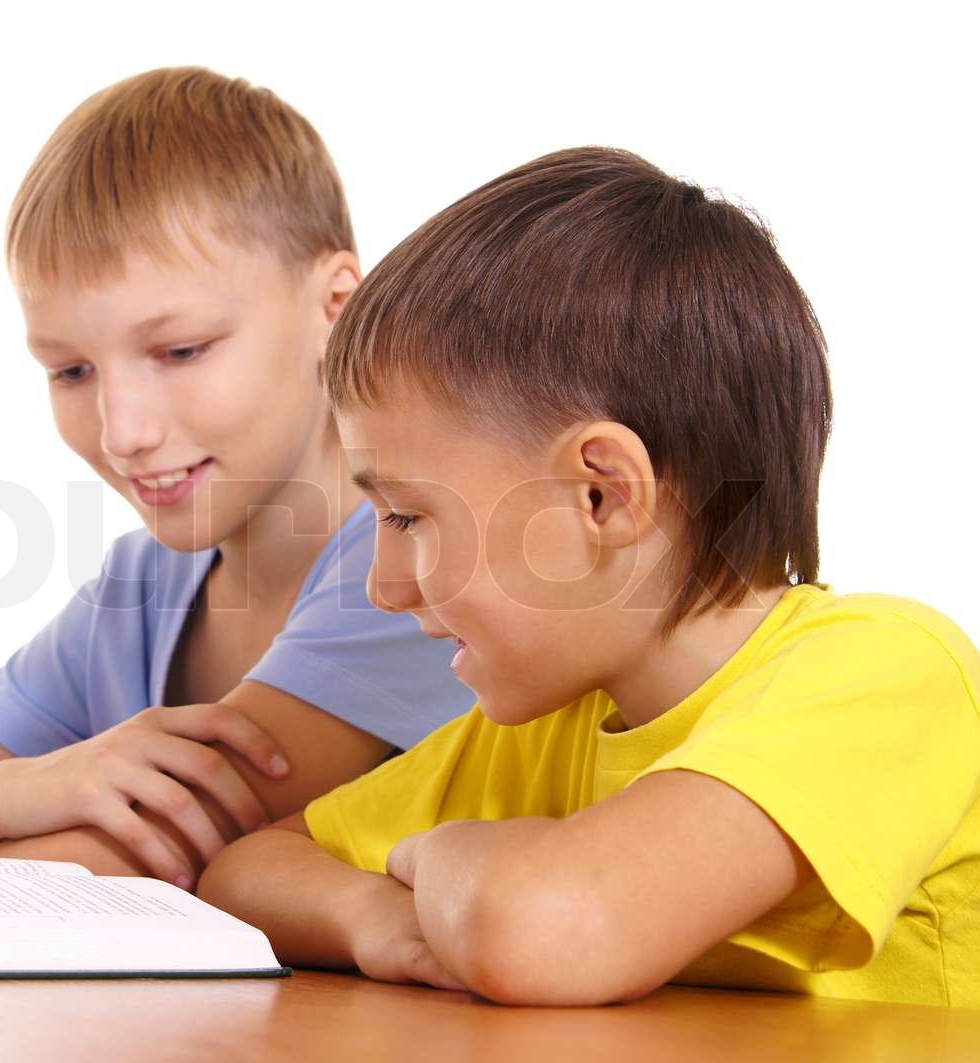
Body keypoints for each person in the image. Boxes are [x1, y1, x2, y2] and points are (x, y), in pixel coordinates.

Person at [198, 146, 980, 1006]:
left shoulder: (887, 676)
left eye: (409, 518)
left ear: (602, 493)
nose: (384, 585)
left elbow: (545, 928)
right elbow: (249, 869)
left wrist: (439, 854)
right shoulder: (549, 722)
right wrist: (369, 915)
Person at [0, 67, 476, 890]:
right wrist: (16, 788)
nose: (122, 432)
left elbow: (92, 878)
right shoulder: (135, 596)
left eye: (180, 351)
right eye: (70, 371)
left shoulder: (412, 576)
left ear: (336, 307)